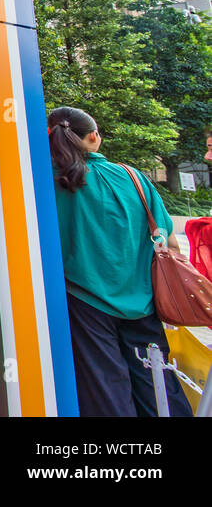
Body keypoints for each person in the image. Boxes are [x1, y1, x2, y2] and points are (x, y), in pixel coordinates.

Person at [48, 106, 193, 417]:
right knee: (157, 384)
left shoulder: (47, 184)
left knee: (105, 391)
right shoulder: (132, 177)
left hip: (84, 302)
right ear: (94, 137)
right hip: (144, 301)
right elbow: (169, 241)